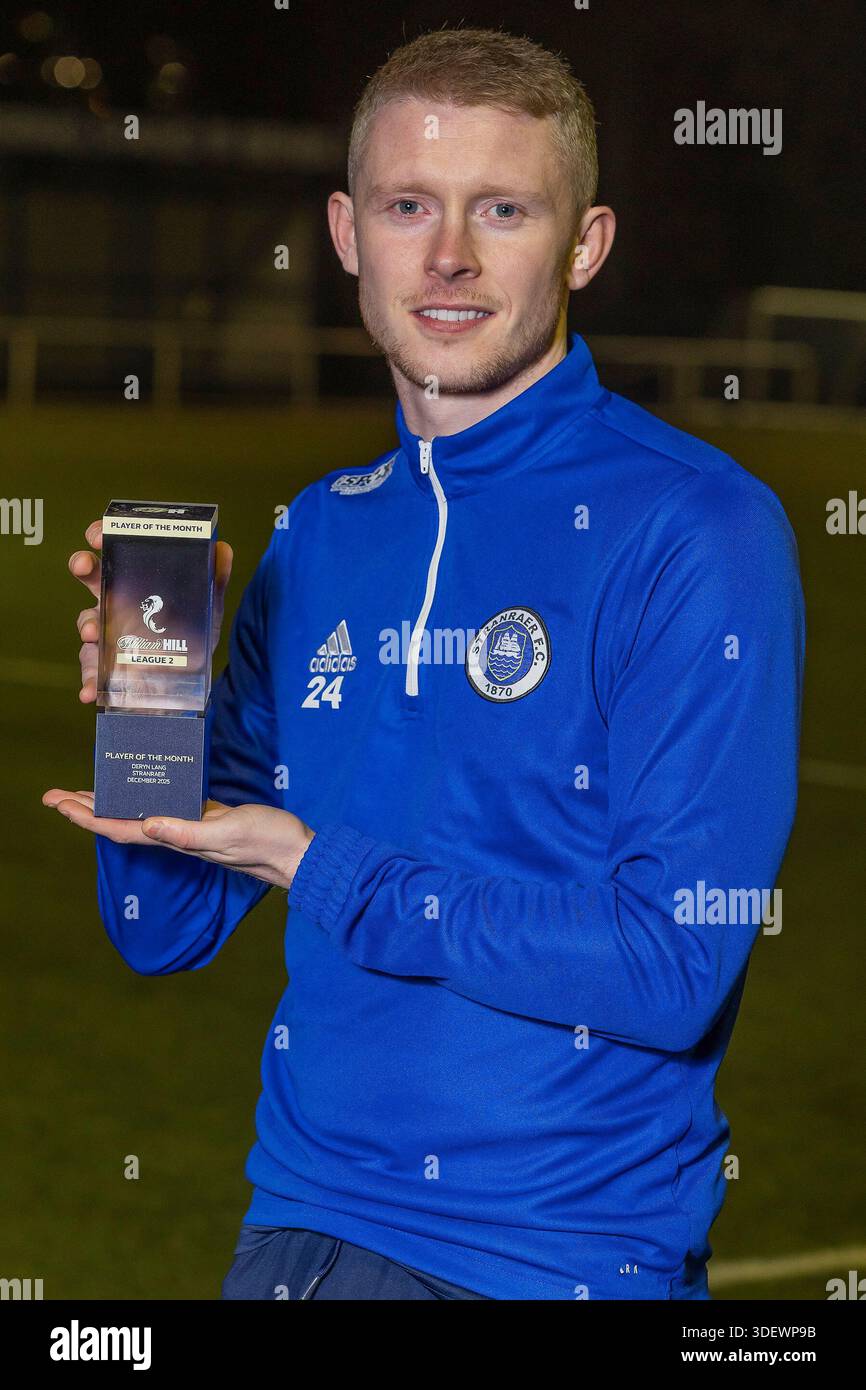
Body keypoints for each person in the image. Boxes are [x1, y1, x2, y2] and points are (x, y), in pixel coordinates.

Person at [44, 27, 805, 1300]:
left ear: (583, 244)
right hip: (293, 1231)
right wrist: (148, 712)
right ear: (347, 233)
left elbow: (670, 967)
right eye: (409, 206)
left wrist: (314, 861)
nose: (446, 256)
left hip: (542, 1257)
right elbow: (156, 930)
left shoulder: (696, 529)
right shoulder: (321, 528)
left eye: (500, 209)